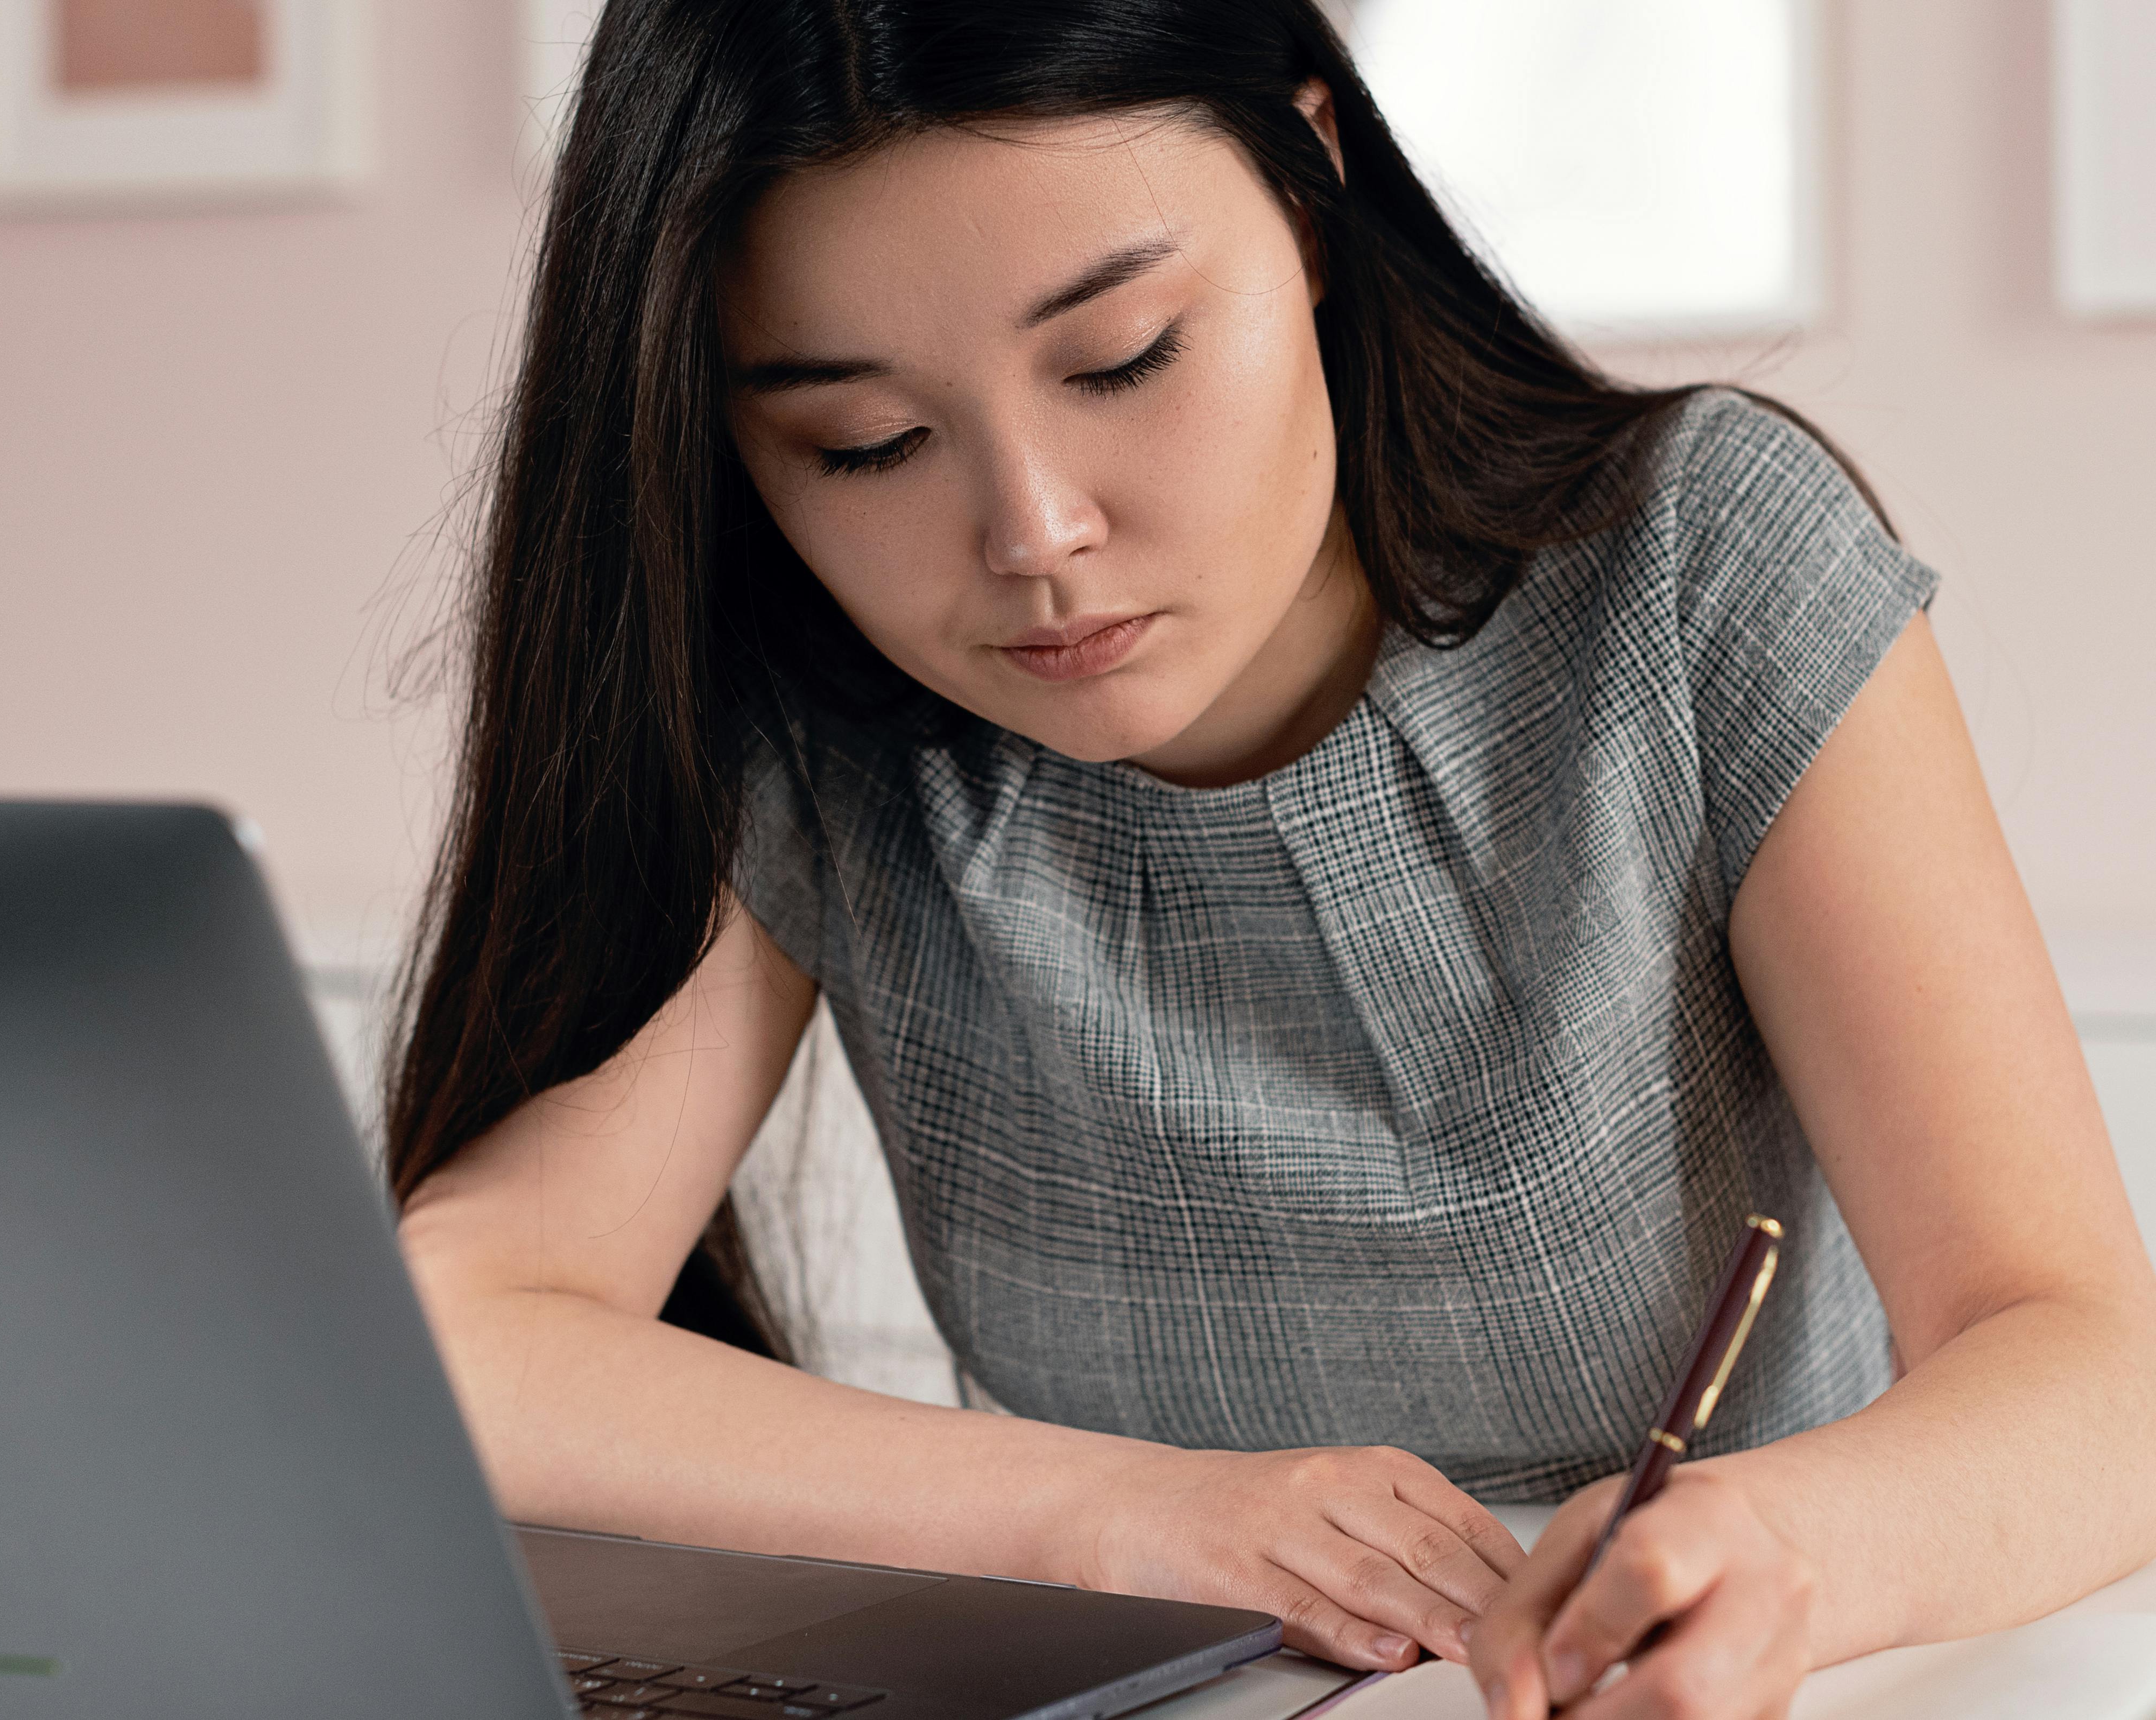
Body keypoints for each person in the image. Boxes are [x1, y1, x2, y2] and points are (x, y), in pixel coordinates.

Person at [384, 3, 2156, 1716]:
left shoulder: (1697, 570)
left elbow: (2087, 1362)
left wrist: (1769, 1548)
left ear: (1307, 182)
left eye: (1120, 358)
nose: (1032, 533)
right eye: (866, 442)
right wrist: (1117, 1509)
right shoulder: (817, 724)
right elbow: (459, 1331)